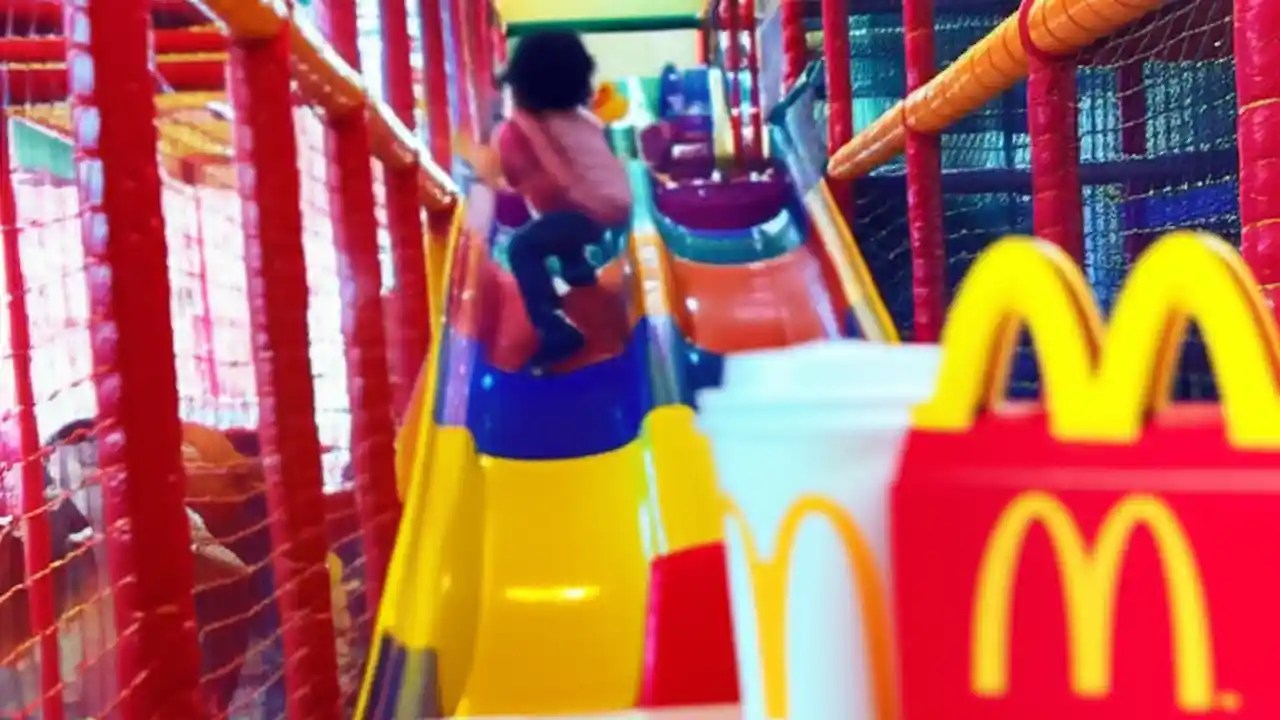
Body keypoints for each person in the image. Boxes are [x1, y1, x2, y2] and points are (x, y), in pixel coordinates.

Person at [481, 31, 633, 368]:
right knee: (559, 226)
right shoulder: (580, 120)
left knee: (523, 247)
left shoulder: (529, 125)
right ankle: (580, 277)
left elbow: (517, 174)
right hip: (613, 205)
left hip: (588, 211)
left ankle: (554, 329)